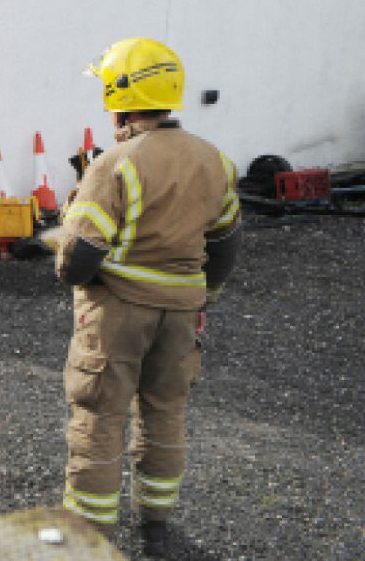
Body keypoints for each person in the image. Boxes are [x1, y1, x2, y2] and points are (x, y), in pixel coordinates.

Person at [54, 37, 242, 556]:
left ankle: (89, 537)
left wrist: (68, 251)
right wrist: (205, 296)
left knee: (100, 416)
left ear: (120, 96)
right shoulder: (216, 162)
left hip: (118, 311)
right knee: (165, 410)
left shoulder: (114, 162)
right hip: (183, 313)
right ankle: (156, 524)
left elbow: (79, 258)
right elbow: (225, 247)